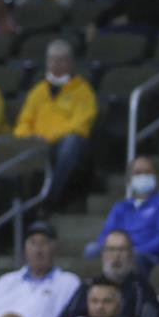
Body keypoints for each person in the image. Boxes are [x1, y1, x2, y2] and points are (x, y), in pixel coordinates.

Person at [14, 40, 97, 208]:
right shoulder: (38, 91)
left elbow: (80, 125)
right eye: (52, 60)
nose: (56, 64)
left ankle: (51, 198)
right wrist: (27, 136)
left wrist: (49, 138)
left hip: (62, 143)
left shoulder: (83, 91)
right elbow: (24, 121)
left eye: (61, 60)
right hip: (36, 141)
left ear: (71, 63)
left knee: (71, 142)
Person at [51, 231, 159, 317]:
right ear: (103, 254)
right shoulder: (89, 285)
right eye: (111, 250)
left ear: (131, 254)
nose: (116, 255)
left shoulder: (142, 290)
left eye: (121, 250)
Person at [92, 156, 159, 266]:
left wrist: (135, 251)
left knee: (135, 258)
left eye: (148, 172)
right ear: (129, 180)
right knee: (92, 250)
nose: (143, 176)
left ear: (155, 177)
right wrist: (115, 249)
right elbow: (105, 234)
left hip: (153, 256)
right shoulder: (121, 207)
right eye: (138, 173)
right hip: (122, 251)